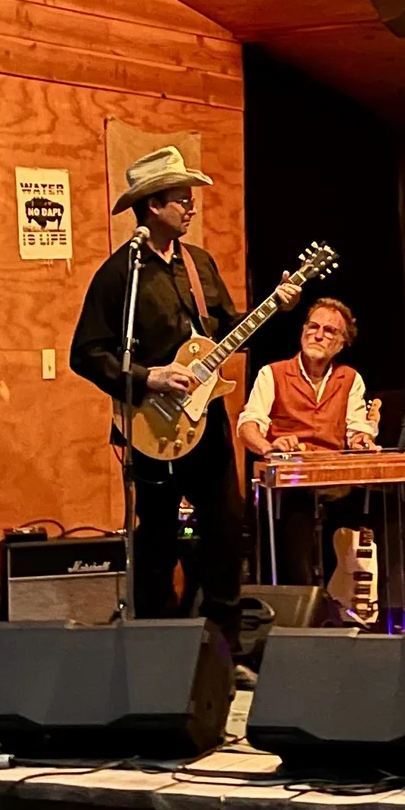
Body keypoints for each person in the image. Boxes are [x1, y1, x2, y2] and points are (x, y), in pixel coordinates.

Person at [71, 146, 300, 656]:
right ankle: (157, 651)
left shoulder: (200, 264)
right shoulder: (119, 275)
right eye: (182, 200)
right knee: (156, 537)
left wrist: (276, 308)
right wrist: (148, 378)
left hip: (207, 420)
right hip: (151, 426)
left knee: (224, 532)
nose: (191, 208)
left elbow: (227, 328)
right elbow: (85, 354)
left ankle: (222, 654)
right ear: (153, 206)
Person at [237, 298, 379, 589]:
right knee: (296, 514)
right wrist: (268, 446)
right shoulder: (272, 374)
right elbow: (248, 425)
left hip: (335, 481)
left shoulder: (350, 379)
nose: (318, 334)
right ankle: (298, 598)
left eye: (329, 331)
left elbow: (356, 431)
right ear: (302, 331)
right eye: (313, 327)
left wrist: (362, 440)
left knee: (369, 508)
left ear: (341, 343)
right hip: (291, 484)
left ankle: (346, 599)